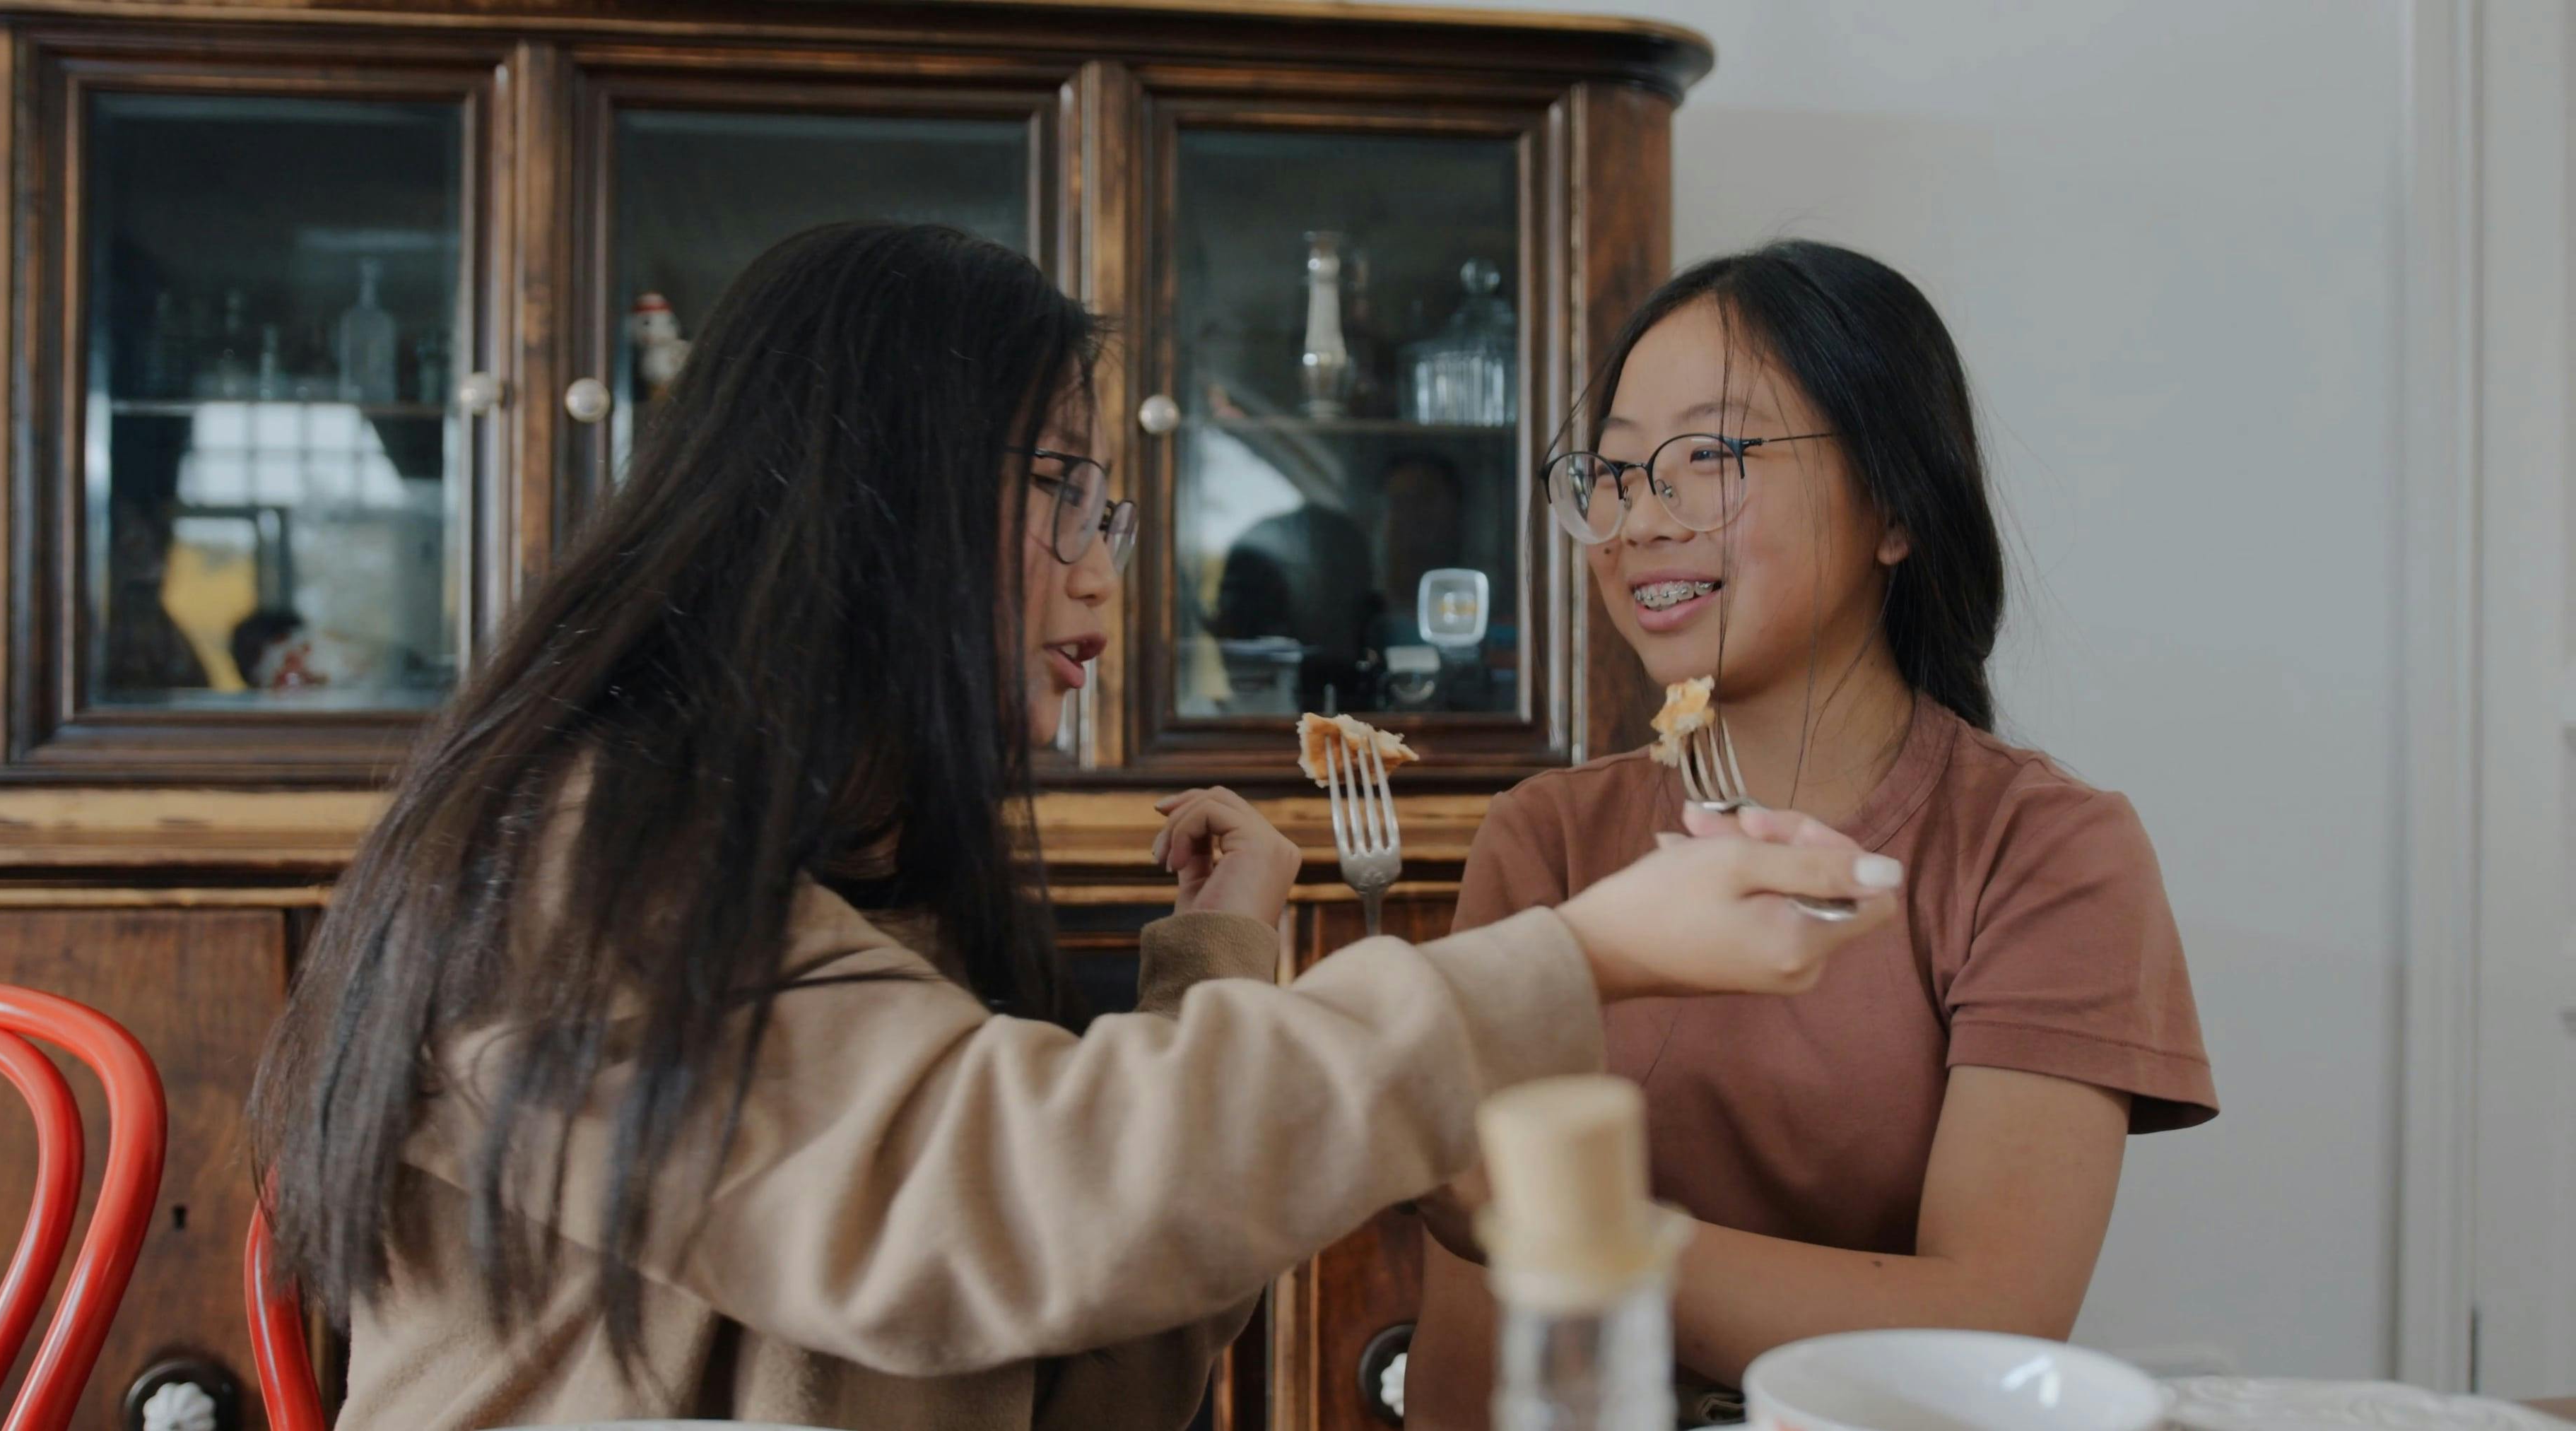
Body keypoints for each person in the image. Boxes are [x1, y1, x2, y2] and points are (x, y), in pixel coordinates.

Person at [247, 222, 1906, 1431]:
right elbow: (988, 1200)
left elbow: (1082, 1328)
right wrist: (1586, 954)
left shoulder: (876, 887)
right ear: (859, 492)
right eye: (1058, 489)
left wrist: (1214, 961)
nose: (1107, 563)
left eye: (1106, 503)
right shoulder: (577, 857)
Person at [1407, 241, 2218, 1423]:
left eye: (1708, 458)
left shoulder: (2046, 849)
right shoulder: (1547, 839)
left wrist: (1566, 1229)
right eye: (1618, 473)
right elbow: (1470, 1381)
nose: (1640, 519)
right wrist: (1515, 1225)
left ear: (1894, 506)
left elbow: (1991, 1321)